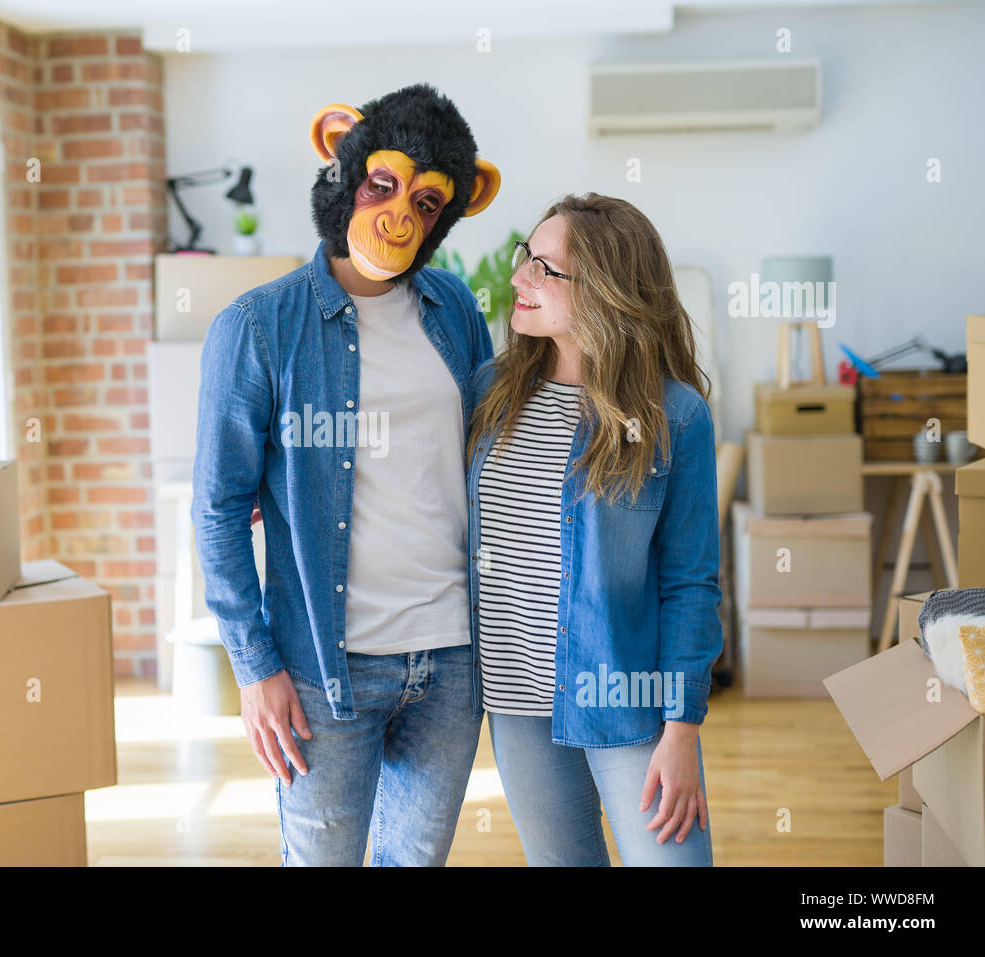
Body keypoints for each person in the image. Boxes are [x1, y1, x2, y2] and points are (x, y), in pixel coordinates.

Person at [192, 83, 501, 866]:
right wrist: (256, 668)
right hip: (325, 668)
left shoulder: (454, 308)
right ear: (345, 162)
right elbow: (218, 509)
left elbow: (485, 452)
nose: (402, 215)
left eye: (429, 203)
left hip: (449, 659)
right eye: (383, 185)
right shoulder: (257, 326)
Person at [467, 192, 721, 866]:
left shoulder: (676, 416)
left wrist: (682, 729)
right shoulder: (488, 394)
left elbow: (691, 583)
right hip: (516, 699)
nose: (519, 277)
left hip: (625, 701)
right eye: (526, 257)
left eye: (544, 269)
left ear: (607, 289)